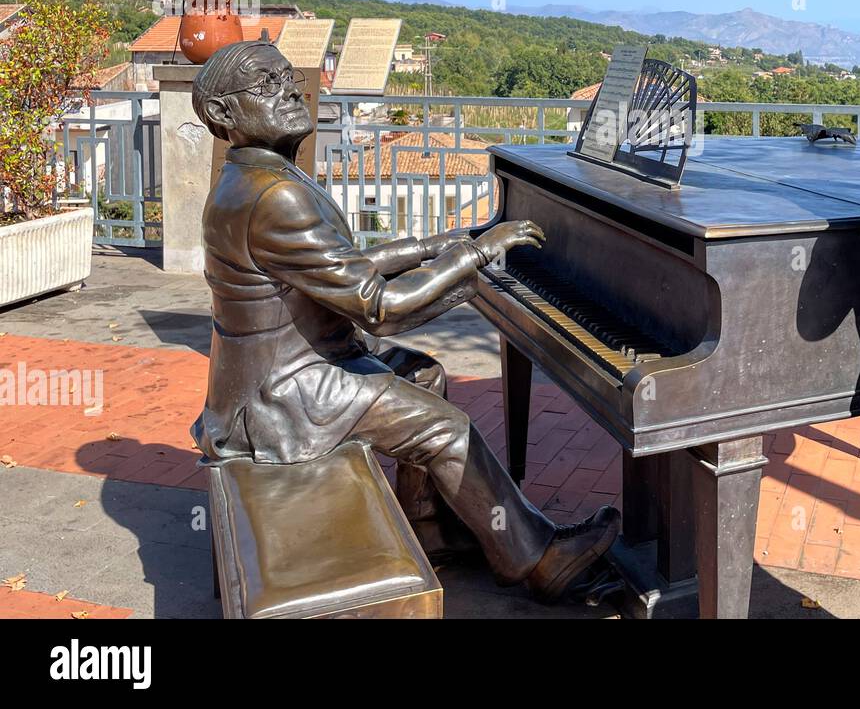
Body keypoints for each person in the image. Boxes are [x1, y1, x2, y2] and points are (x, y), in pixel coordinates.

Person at [190, 39, 618, 602]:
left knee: (423, 375)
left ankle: (429, 526)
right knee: (448, 429)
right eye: (265, 84)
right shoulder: (275, 197)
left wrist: (436, 246)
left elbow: (343, 267)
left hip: (279, 369)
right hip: (283, 392)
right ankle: (535, 558)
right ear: (223, 115)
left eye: (289, 75)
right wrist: (476, 256)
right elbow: (380, 309)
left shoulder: (254, 179)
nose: (291, 89)